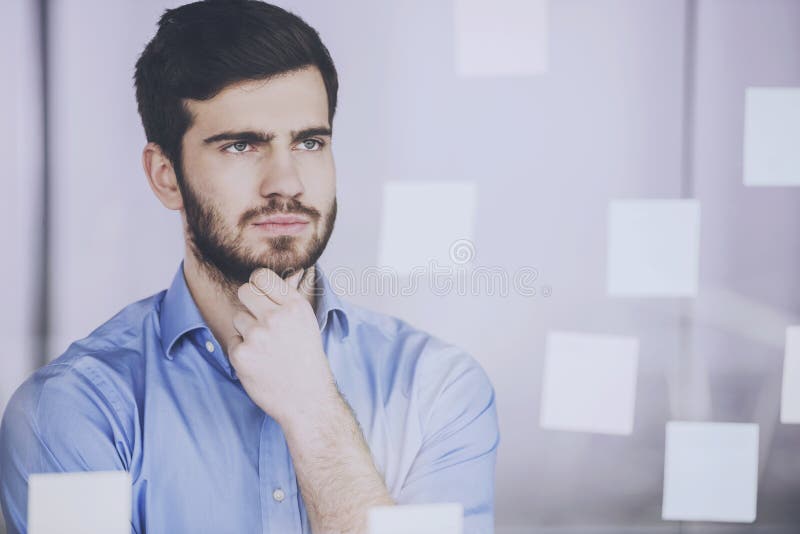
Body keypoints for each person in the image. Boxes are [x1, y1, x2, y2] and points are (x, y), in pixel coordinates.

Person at [0, 1, 499, 532]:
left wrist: (315, 412)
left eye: (309, 142)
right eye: (241, 145)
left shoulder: (438, 389)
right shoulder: (73, 411)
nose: (287, 182)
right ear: (166, 176)